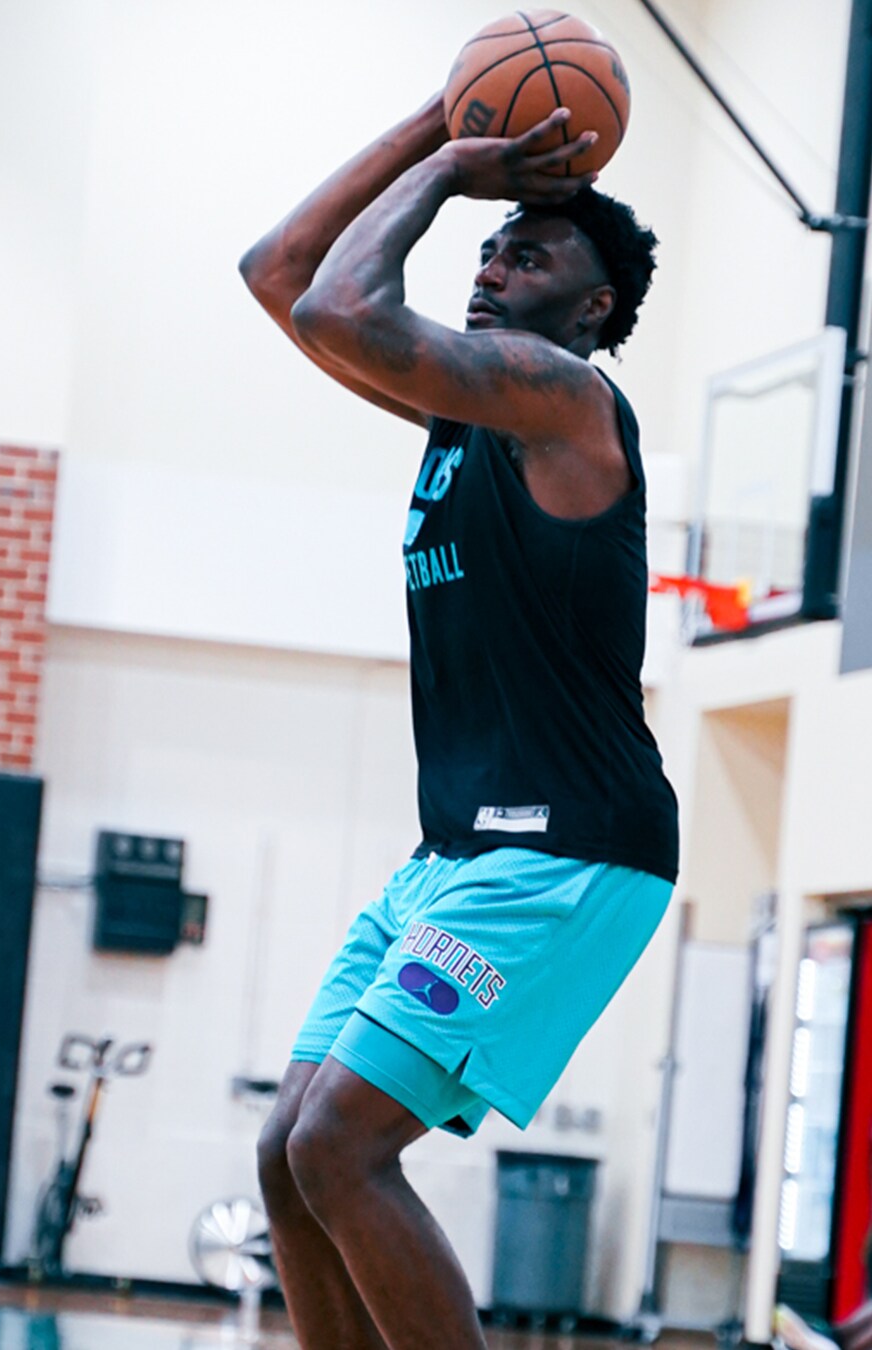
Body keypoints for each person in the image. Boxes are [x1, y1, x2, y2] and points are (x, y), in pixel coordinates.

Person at [239, 91, 679, 1350]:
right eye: (489, 249)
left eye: (526, 257)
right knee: (288, 1153)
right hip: (458, 853)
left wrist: (450, 170)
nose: (490, 269)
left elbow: (340, 307)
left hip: (569, 849)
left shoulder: (562, 397)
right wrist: (437, 120)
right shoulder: (465, 410)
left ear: (592, 310)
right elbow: (280, 274)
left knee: (340, 1144)